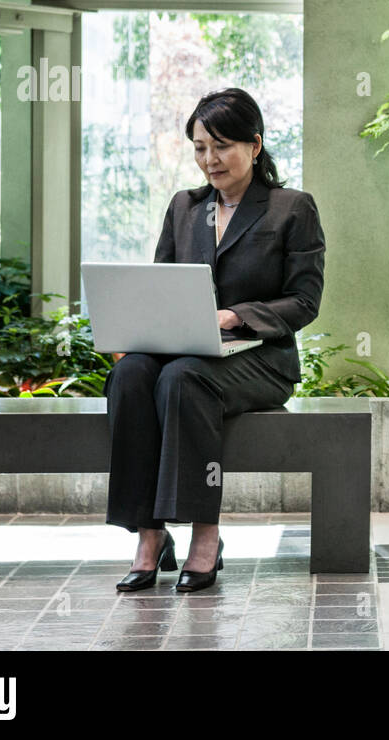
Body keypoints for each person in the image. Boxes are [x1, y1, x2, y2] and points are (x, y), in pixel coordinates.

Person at [103, 87, 325, 593]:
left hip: (261, 360)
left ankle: (207, 535)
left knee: (184, 378)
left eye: (222, 145)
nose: (210, 159)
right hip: (190, 350)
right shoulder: (184, 207)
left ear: (255, 145)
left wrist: (234, 317)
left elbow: (304, 301)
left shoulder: (291, 209)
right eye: (201, 147)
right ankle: (149, 535)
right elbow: (160, 287)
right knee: (132, 374)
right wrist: (134, 329)